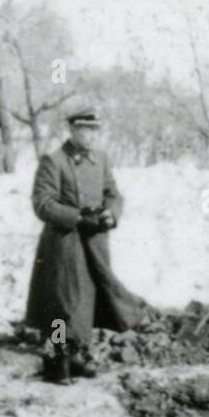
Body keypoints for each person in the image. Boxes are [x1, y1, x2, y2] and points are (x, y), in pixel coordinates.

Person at [24, 108, 151, 384]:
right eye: (86, 130)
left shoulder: (101, 160)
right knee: (61, 304)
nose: (92, 136)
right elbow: (42, 203)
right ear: (72, 131)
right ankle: (56, 362)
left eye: (95, 130)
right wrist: (76, 218)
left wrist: (110, 214)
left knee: (86, 303)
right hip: (64, 243)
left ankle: (78, 355)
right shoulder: (54, 161)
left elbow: (113, 194)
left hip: (94, 242)